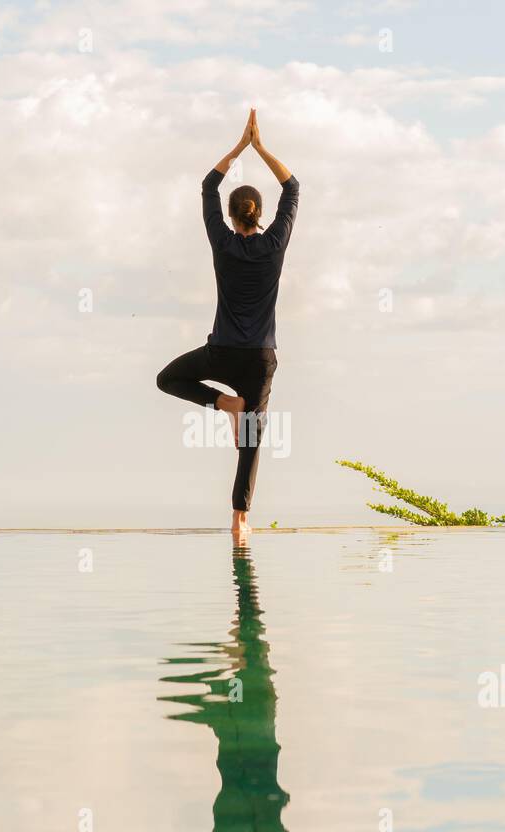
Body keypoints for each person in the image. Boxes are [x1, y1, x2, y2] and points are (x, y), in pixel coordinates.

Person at [156, 109, 299, 539]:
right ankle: (240, 519)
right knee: (252, 437)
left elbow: (208, 186)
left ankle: (224, 404)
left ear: (234, 217)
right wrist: (260, 147)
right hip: (259, 358)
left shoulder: (222, 242)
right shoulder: (275, 244)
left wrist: (238, 148)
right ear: (259, 216)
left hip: (221, 353)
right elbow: (292, 187)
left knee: (167, 379)